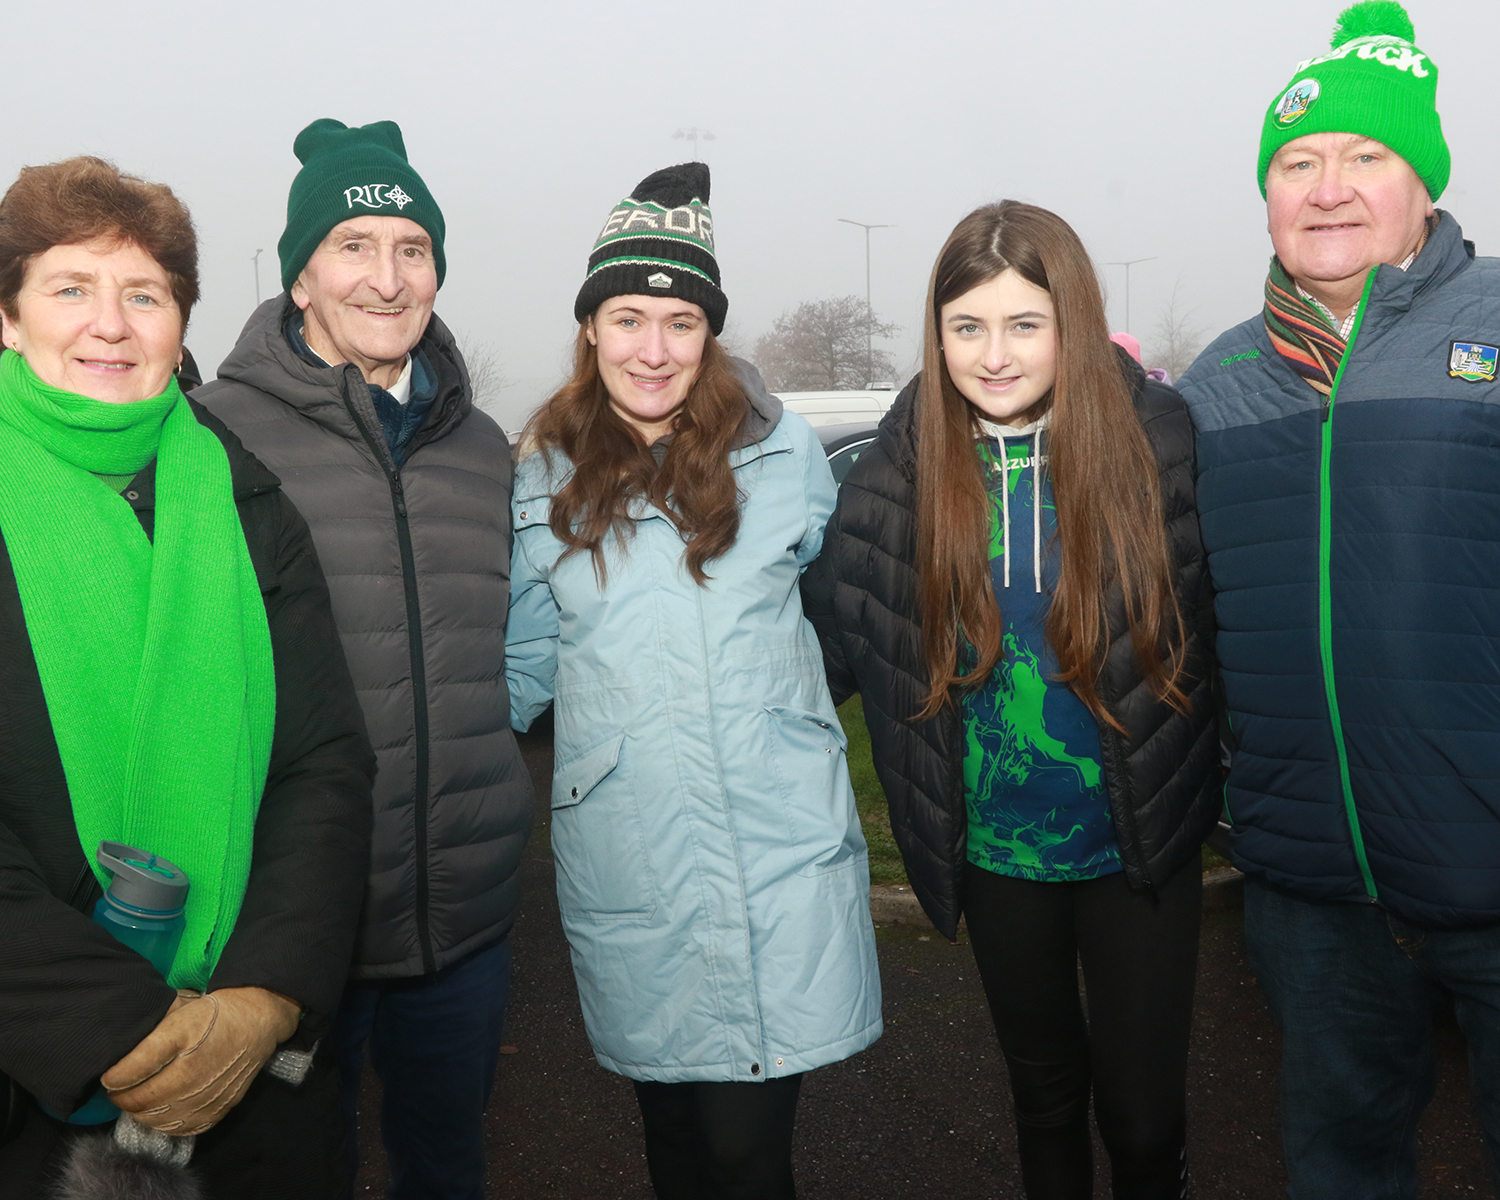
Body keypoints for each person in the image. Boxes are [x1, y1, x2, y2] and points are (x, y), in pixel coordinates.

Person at [801, 201, 1220, 1199]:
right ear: (936, 333)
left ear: (1070, 320)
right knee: (1043, 1097)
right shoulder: (899, 466)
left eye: (1025, 323)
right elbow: (826, 638)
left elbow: (1226, 613)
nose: (994, 354)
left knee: (1144, 1119)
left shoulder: (1158, 438)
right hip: (996, 854)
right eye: (967, 326)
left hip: (1138, 846)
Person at [506, 162, 882, 1200]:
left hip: (774, 855)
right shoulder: (541, 477)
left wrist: (786, 723)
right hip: (634, 859)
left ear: (710, 334)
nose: (653, 349)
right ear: (590, 329)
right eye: (628, 317)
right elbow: (518, 671)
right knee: (673, 1142)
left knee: (744, 1152)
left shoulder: (783, 457)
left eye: (681, 321)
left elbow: (847, 615)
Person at [0, 157, 373, 1197]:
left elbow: (323, 763)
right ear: (8, 317)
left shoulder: (248, 499)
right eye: (69, 287)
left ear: (179, 322)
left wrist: (265, 997)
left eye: (145, 294)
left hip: (252, 1081)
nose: (109, 324)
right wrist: (115, 1024)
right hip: (31, 1086)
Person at [1175, 2, 1500, 1194]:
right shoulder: (1220, 383)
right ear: (1267, 193)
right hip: (1310, 885)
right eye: (1298, 162)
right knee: (1342, 1162)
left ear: (1425, 187)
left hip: (1489, 861)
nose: (1329, 187)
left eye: (1367, 156)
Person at [196, 119, 534, 1200]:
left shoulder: (484, 450)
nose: (387, 280)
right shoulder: (210, 437)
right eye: (353, 246)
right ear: (300, 277)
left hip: (464, 918)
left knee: (447, 1167)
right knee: (295, 1175)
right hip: (295, 927)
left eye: (412, 249)